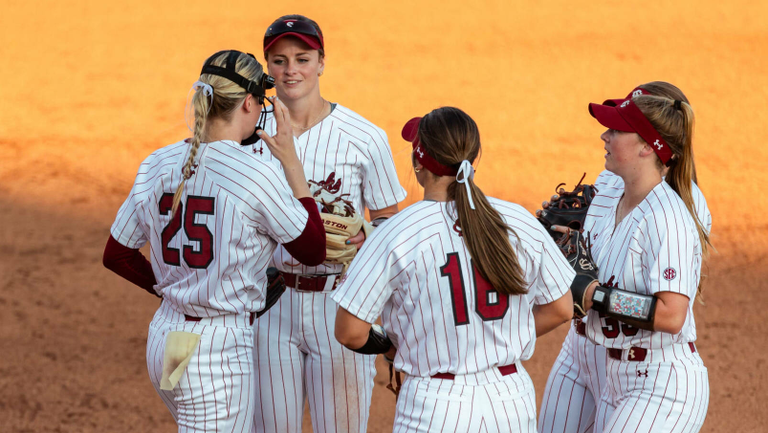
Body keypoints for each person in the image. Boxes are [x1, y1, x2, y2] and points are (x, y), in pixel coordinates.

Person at [103, 50, 327, 432]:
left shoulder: (157, 163)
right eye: (263, 101)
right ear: (248, 103)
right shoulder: (254, 174)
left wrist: (174, 291)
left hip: (168, 343)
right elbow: (312, 249)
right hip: (215, 353)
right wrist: (292, 164)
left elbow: (118, 254)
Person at [332, 107, 575, 433]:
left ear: (419, 162)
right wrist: (501, 336)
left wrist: (393, 347)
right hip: (510, 400)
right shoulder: (516, 220)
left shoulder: (397, 232)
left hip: (435, 405)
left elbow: (350, 332)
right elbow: (561, 309)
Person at [250, 15, 407, 433]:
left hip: (340, 304)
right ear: (268, 67)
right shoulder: (250, 132)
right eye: (279, 61)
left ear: (321, 62)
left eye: (302, 58)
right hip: (269, 304)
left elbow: (391, 222)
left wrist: (366, 235)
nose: (291, 70)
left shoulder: (363, 136)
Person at [538, 82, 712, 433]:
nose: (605, 135)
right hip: (607, 367)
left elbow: (671, 314)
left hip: (659, 384)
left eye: (617, 130)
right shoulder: (611, 188)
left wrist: (595, 295)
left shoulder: (668, 219)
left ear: (648, 146)